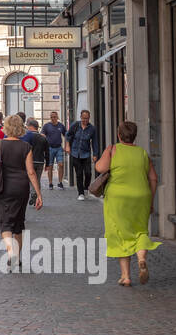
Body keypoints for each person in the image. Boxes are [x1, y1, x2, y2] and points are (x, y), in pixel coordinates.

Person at [94, 120, 160, 286]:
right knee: (140, 231)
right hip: (141, 197)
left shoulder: (113, 149)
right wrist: (150, 199)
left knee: (119, 233)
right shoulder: (143, 153)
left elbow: (100, 168)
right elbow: (153, 178)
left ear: (119, 135)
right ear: (134, 136)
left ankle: (126, 276)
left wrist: (103, 158)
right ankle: (141, 257)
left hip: (118, 198)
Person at [0, 115, 42, 267]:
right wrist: (38, 193)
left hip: (3, 188)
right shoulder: (26, 147)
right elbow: (31, 172)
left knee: (5, 223)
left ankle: (11, 253)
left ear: (6, 127)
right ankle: (17, 255)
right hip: (21, 188)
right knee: (18, 223)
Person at [65, 110, 100, 200]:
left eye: (87, 118)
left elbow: (95, 142)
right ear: (80, 117)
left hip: (86, 153)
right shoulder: (75, 125)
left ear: (89, 118)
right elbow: (68, 135)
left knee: (88, 173)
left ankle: (85, 188)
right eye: (83, 118)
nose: (85, 120)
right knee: (79, 173)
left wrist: (95, 154)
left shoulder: (92, 129)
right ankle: (80, 193)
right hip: (75, 153)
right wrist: (68, 146)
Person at [22, 118, 50, 208]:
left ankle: (33, 193)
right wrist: (48, 164)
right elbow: (47, 151)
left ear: (30, 127)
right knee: (37, 179)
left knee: (30, 179)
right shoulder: (43, 138)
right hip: (40, 161)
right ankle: (37, 198)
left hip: (30, 161)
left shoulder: (28, 137)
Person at [41, 111, 68, 189]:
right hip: (49, 148)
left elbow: (66, 135)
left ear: (57, 117)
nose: (53, 118)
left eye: (54, 117)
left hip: (59, 148)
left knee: (61, 165)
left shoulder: (61, 126)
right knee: (50, 166)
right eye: (52, 117)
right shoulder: (46, 126)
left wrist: (66, 146)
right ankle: (50, 183)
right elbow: (42, 134)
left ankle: (60, 182)